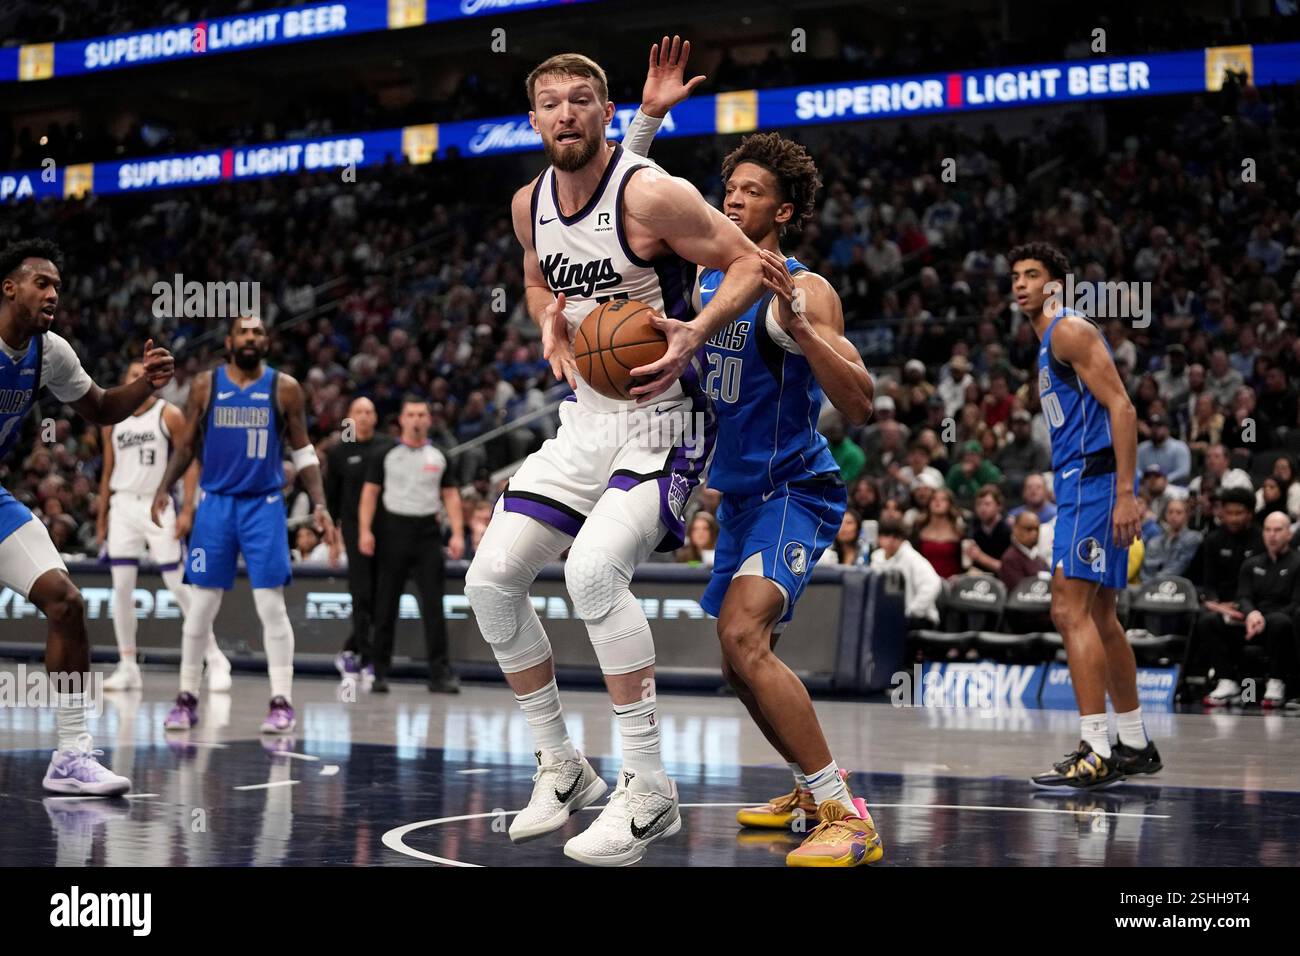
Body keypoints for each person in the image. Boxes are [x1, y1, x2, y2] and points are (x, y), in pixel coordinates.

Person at [462, 42, 763, 867]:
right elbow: (533, 276)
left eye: (581, 99)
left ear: (603, 111)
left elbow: (748, 260)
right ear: (532, 118)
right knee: (488, 583)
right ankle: (564, 766)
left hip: (665, 419)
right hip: (584, 422)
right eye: (550, 102)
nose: (565, 113)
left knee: (593, 573)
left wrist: (699, 329)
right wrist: (547, 319)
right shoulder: (528, 204)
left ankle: (650, 787)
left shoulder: (653, 193)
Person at [623, 40, 882, 866]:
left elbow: (863, 402)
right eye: (729, 189)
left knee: (743, 637)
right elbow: (621, 205)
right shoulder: (705, 276)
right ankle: (809, 790)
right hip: (737, 495)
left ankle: (848, 815)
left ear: (783, 214)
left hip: (795, 489)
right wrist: (649, 118)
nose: (734, 202)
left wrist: (805, 334)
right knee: (738, 664)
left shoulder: (798, 291)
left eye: (753, 194)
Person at [1, 239, 174, 796]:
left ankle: (71, 756)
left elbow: (99, 408)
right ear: (9, 288)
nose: (53, 293)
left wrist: (146, 385)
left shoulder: (49, 352)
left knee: (66, 601)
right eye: (41, 283)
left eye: (57, 285)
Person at [1009, 242, 1162, 790]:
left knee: (1067, 609)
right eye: (1016, 275)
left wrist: (1126, 492)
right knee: (1100, 618)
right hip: (1086, 483)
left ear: (1056, 285)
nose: (1020, 283)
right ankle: (1134, 742)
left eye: (1033, 275)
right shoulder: (1048, 341)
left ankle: (1095, 749)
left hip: (1093, 485)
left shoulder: (1070, 330)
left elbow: (1123, 406)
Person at [150, 314, 339, 734]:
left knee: (270, 605)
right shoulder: (205, 385)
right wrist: (165, 486)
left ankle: (281, 701)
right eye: (243, 332)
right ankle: (185, 697)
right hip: (215, 504)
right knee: (200, 606)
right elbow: (185, 447)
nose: (251, 338)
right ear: (230, 342)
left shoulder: (284, 388)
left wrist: (321, 504)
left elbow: (304, 451)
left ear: (266, 342)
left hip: (264, 506)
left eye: (258, 332)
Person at [96, 360, 230, 693]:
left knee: (178, 585)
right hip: (123, 505)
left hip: (158, 502)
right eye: (131, 373)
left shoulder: (168, 413)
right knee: (121, 591)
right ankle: (128, 665)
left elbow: (188, 462)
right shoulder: (112, 420)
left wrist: (187, 510)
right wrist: (101, 518)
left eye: (143, 373)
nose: (137, 377)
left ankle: (214, 657)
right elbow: (106, 473)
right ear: (124, 381)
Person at [360, 397, 464, 693]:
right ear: (402, 420)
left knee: (433, 605)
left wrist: (457, 533)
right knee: (385, 605)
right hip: (393, 530)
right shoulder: (385, 454)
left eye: (422, 414)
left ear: (428, 419)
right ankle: (378, 671)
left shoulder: (440, 455)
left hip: (428, 534)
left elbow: (451, 496)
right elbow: (369, 493)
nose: (417, 419)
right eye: (411, 414)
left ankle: (439, 673)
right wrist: (365, 531)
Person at [325, 396, 394, 685]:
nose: (364, 416)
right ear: (349, 417)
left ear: (376, 417)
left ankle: (357, 651)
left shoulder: (389, 447)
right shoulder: (339, 451)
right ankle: (365, 657)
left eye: (369, 411)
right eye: (358, 412)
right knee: (362, 591)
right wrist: (333, 540)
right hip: (354, 529)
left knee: (383, 595)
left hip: (388, 527)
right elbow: (332, 499)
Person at [1198, 511, 1298, 708]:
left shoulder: (1297, 563)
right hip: (1249, 621)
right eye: (1268, 530)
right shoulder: (1251, 564)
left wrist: (1262, 619)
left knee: (1281, 622)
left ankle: (1276, 682)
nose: (1272, 535)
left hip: (1279, 623)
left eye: (1278, 530)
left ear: (1289, 534)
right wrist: (1251, 613)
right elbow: (1243, 596)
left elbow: (1296, 603)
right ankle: (1227, 680)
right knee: (1208, 621)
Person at [869, 519, 941, 630]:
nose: (891, 541)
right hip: (887, 617)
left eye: (896, 537)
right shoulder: (876, 558)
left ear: (902, 539)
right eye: (887, 535)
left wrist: (910, 611)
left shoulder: (912, 558)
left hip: (918, 619)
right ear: (879, 538)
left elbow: (933, 584)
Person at [1140, 497, 1203, 582]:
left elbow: (1179, 567)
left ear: (1187, 515)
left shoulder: (1194, 538)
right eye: (1170, 512)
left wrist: (1153, 583)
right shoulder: (1154, 541)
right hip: (1150, 586)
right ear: (1165, 515)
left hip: (1178, 587)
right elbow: (1146, 570)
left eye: (1179, 512)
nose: (1173, 516)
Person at [913, 487, 964, 578]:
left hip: (952, 585)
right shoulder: (918, 531)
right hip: (925, 582)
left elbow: (965, 564)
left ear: (950, 505)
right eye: (934, 499)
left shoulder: (960, 533)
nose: (937, 502)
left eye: (943, 499)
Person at [964, 484, 1012, 575]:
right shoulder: (974, 531)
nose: (982, 508)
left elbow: (1008, 569)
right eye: (979, 504)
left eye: (987, 504)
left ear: (999, 506)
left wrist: (980, 557)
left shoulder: (1008, 531)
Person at [999, 511, 1048, 589]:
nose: (1034, 533)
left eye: (1036, 529)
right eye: (1029, 529)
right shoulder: (1010, 559)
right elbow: (1020, 592)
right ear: (1015, 529)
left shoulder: (1040, 559)